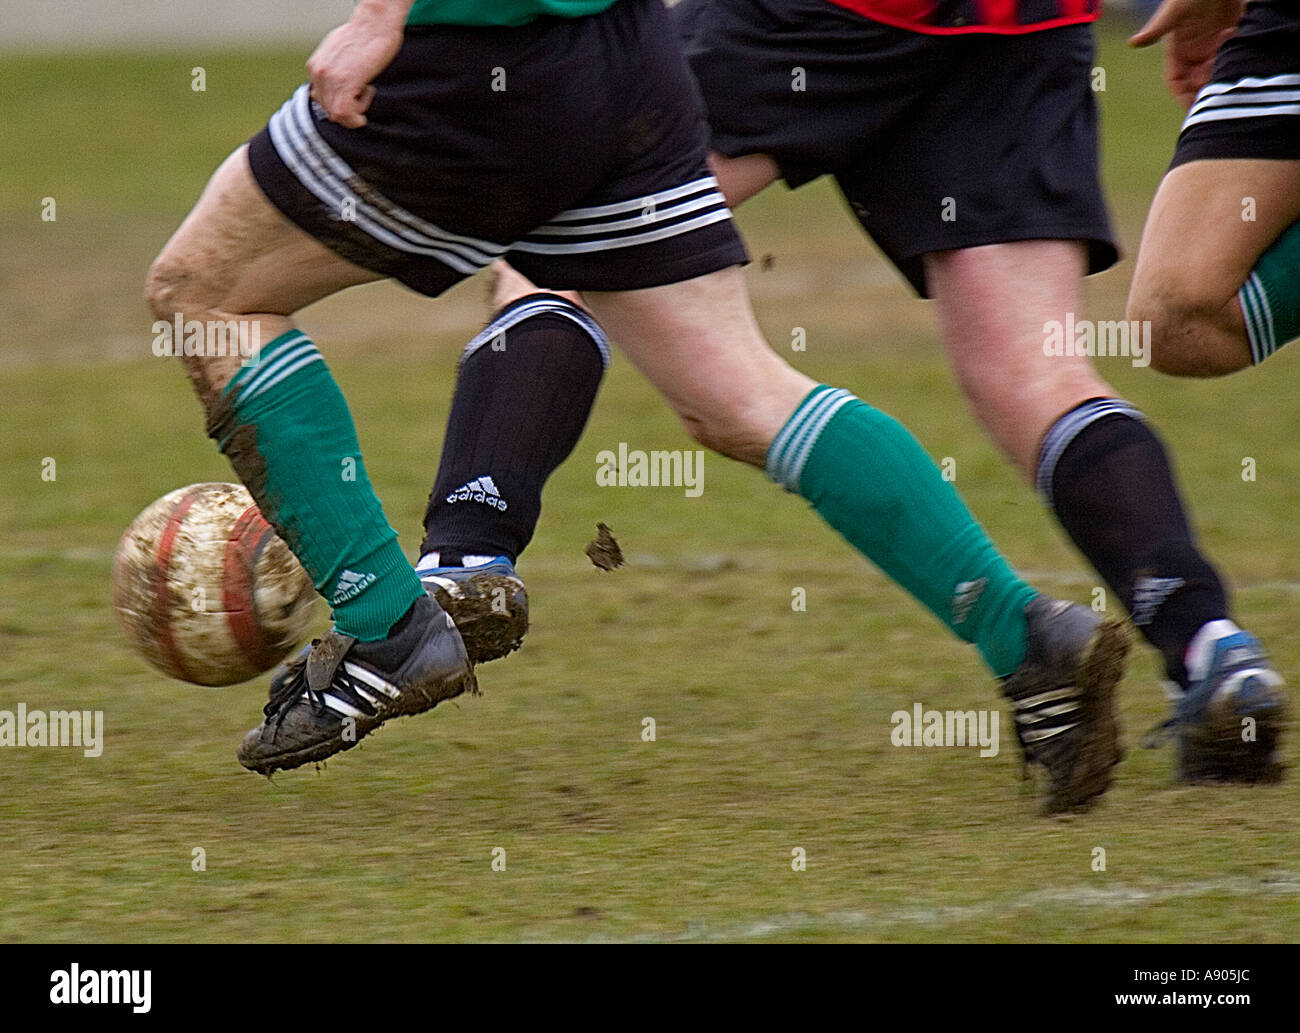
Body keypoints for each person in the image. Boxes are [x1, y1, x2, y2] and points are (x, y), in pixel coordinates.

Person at [145, 0, 1129, 814]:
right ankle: (1025, 633)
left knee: (204, 294)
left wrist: (377, 15)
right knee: (737, 395)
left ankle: (385, 626)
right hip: (628, 58)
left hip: (482, 54)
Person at [419, 0, 1285, 784]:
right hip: (1016, 23)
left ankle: (462, 562)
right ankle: (1215, 650)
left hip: (820, 14)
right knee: (1036, 375)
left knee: (559, 256)